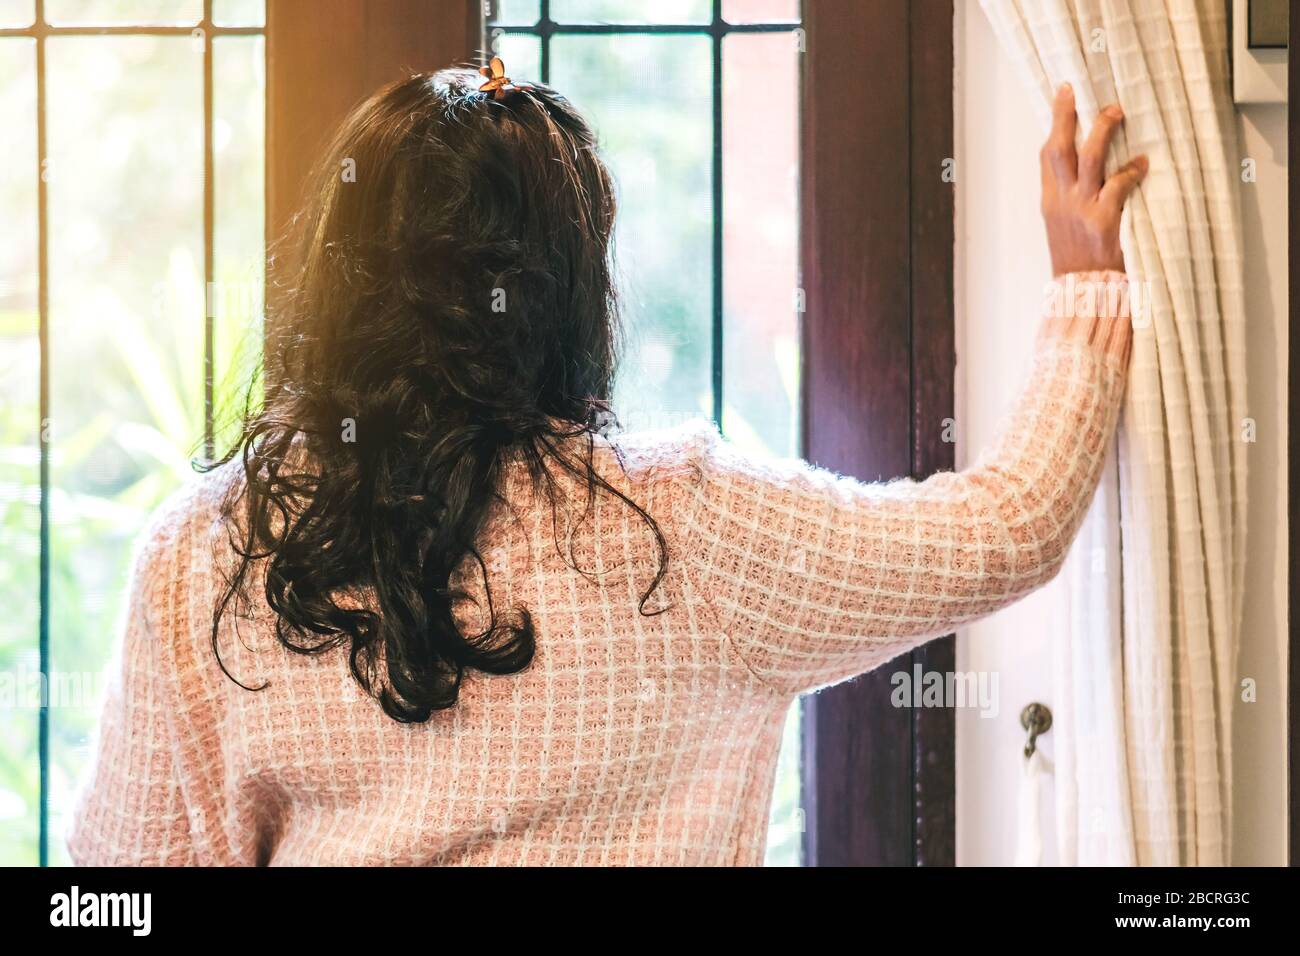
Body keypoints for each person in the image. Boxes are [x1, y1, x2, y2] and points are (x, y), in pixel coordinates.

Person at [68, 69, 1146, 866]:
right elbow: (1012, 526)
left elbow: (117, 887)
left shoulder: (206, 551)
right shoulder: (680, 523)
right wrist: (1087, 284)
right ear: (567, 289)